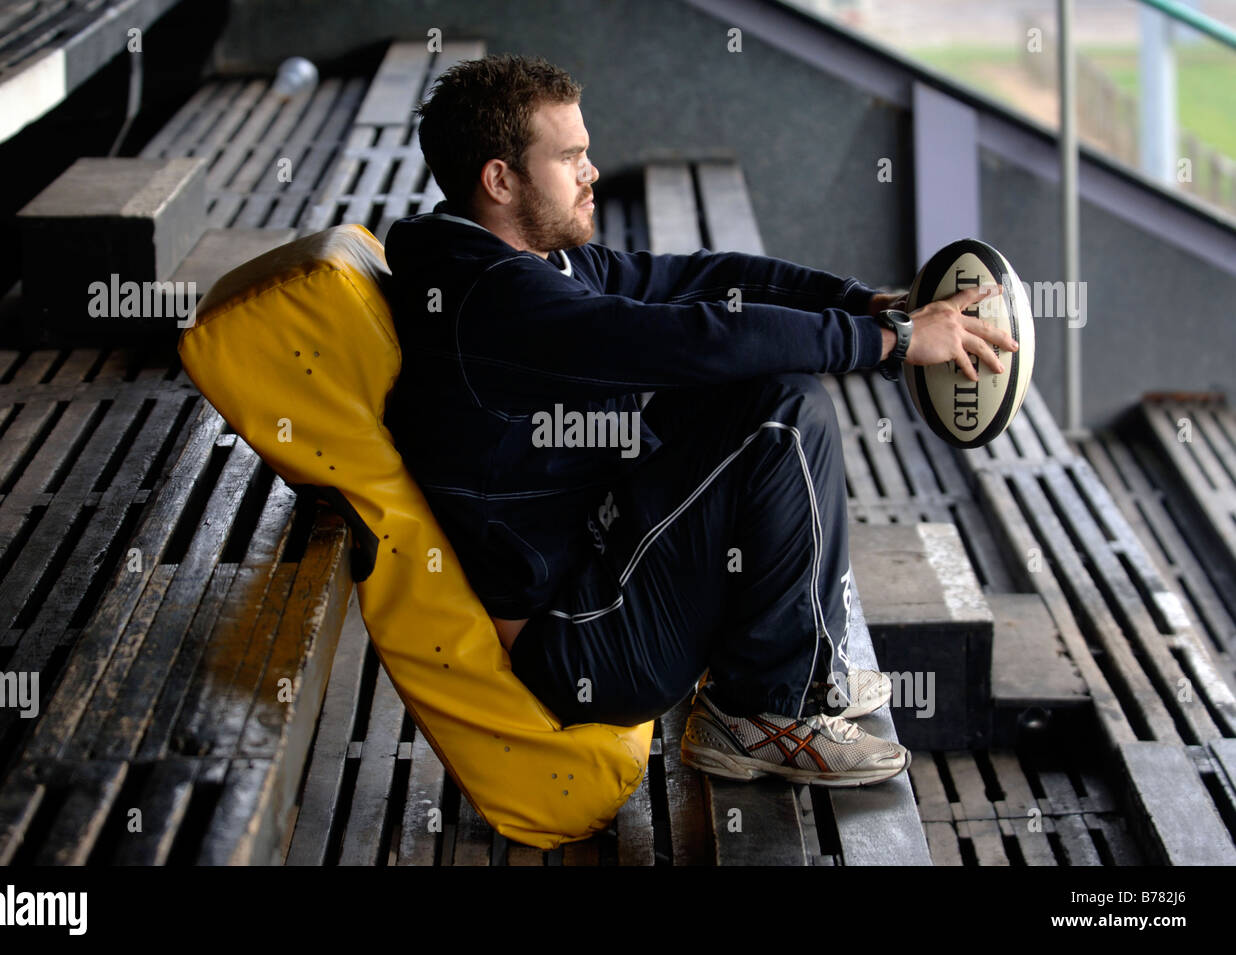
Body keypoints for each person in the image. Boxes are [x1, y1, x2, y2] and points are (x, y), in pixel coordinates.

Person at [382, 54, 1014, 787]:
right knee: (783, 410)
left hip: (599, 554)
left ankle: (797, 669)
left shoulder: (518, 260)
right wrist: (893, 343)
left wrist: (864, 304)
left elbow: (702, 282)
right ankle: (762, 711)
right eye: (570, 157)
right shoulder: (497, 306)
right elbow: (697, 338)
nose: (591, 172)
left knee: (760, 389)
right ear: (499, 181)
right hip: (580, 638)